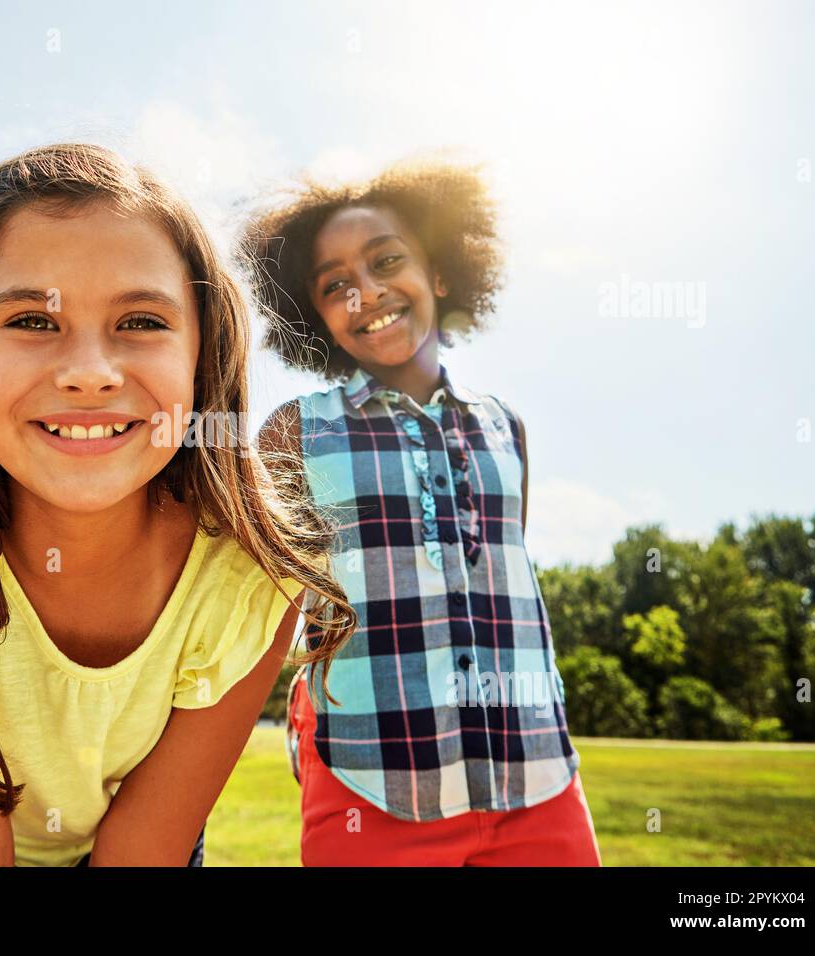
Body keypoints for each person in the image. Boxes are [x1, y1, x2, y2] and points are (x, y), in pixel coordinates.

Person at [0, 143, 356, 866]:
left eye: (140, 321)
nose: (89, 374)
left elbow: (143, 848)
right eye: (33, 322)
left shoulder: (253, 570)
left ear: (204, 357)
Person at [243, 159, 602, 865]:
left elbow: (492, 579)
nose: (366, 291)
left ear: (439, 274)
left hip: (537, 778)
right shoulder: (293, 433)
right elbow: (266, 611)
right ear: (315, 316)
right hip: (369, 787)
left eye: (387, 261)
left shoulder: (507, 428)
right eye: (335, 285)